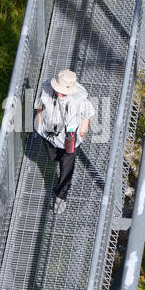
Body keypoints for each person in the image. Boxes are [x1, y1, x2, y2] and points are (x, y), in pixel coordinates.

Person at [34, 68, 96, 214]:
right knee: (52, 157)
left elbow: (87, 116)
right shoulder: (47, 89)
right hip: (49, 135)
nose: (59, 94)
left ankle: (61, 196)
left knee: (66, 167)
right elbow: (40, 106)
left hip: (69, 138)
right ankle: (58, 159)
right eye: (58, 90)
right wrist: (40, 123)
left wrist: (81, 134)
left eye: (63, 92)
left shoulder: (80, 99)